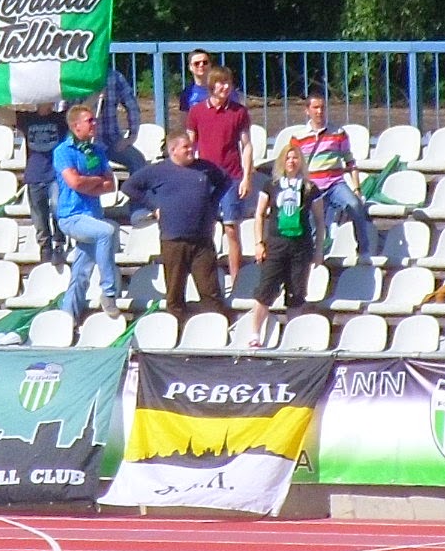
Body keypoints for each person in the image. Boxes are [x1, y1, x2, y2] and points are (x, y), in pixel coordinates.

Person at [122, 131, 232, 324]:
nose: (191, 150)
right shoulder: (157, 170)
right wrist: (153, 205)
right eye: (186, 147)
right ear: (173, 150)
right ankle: (178, 329)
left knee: (211, 292)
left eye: (191, 146)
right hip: (173, 240)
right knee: (175, 293)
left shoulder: (205, 168)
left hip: (202, 241)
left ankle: (217, 328)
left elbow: (226, 181)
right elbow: (129, 187)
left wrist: (212, 203)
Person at [184, 65, 254, 283]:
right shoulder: (196, 112)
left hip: (231, 177)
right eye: (221, 83)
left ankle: (236, 280)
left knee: (231, 228)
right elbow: (190, 145)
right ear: (211, 86)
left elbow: (247, 145)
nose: (225, 87)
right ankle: (208, 278)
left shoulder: (239, 112)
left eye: (228, 83)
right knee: (205, 230)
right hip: (205, 177)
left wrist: (246, 178)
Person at [250, 142, 325, 347]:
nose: (291, 162)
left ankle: (293, 335)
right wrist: (258, 243)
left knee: (296, 292)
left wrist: (319, 249)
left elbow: (319, 220)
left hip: (301, 247)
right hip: (276, 245)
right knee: (265, 290)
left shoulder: (310, 188)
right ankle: (255, 334)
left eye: (295, 158)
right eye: (288, 158)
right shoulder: (271, 185)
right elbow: (259, 215)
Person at [53, 105, 120, 317]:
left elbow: (111, 184)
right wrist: (96, 181)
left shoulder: (97, 150)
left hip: (92, 216)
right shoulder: (63, 151)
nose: (94, 124)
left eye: (94, 120)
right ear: (76, 126)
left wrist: (87, 182)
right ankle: (108, 291)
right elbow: (74, 182)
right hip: (72, 216)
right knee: (107, 232)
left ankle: (67, 317)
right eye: (89, 121)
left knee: (81, 272)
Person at [291, 91, 375, 255]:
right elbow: (293, 164)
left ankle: (363, 250)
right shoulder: (298, 137)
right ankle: (315, 255)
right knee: (313, 223)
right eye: (315, 107)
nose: (319, 111)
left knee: (355, 205)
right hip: (312, 186)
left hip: (335, 183)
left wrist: (357, 189)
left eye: (322, 107)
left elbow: (350, 162)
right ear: (307, 110)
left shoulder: (338, 132)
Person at [14, 101, 68, 265]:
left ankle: (59, 242)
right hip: (35, 174)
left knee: (57, 207)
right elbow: (2, 112)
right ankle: (45, 247)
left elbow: (83, 109)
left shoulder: (60, 118)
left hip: (55, 174)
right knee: (39, 215)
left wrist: (97, 93)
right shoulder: (27, 118)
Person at [90, 63, 147, 172]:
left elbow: (132, 107)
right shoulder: (75, 79)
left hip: (112, 140)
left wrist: (131, 137)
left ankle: (135, 184)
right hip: (84, 142)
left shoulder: (114, 77)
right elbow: (64, 111)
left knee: (137, 160)